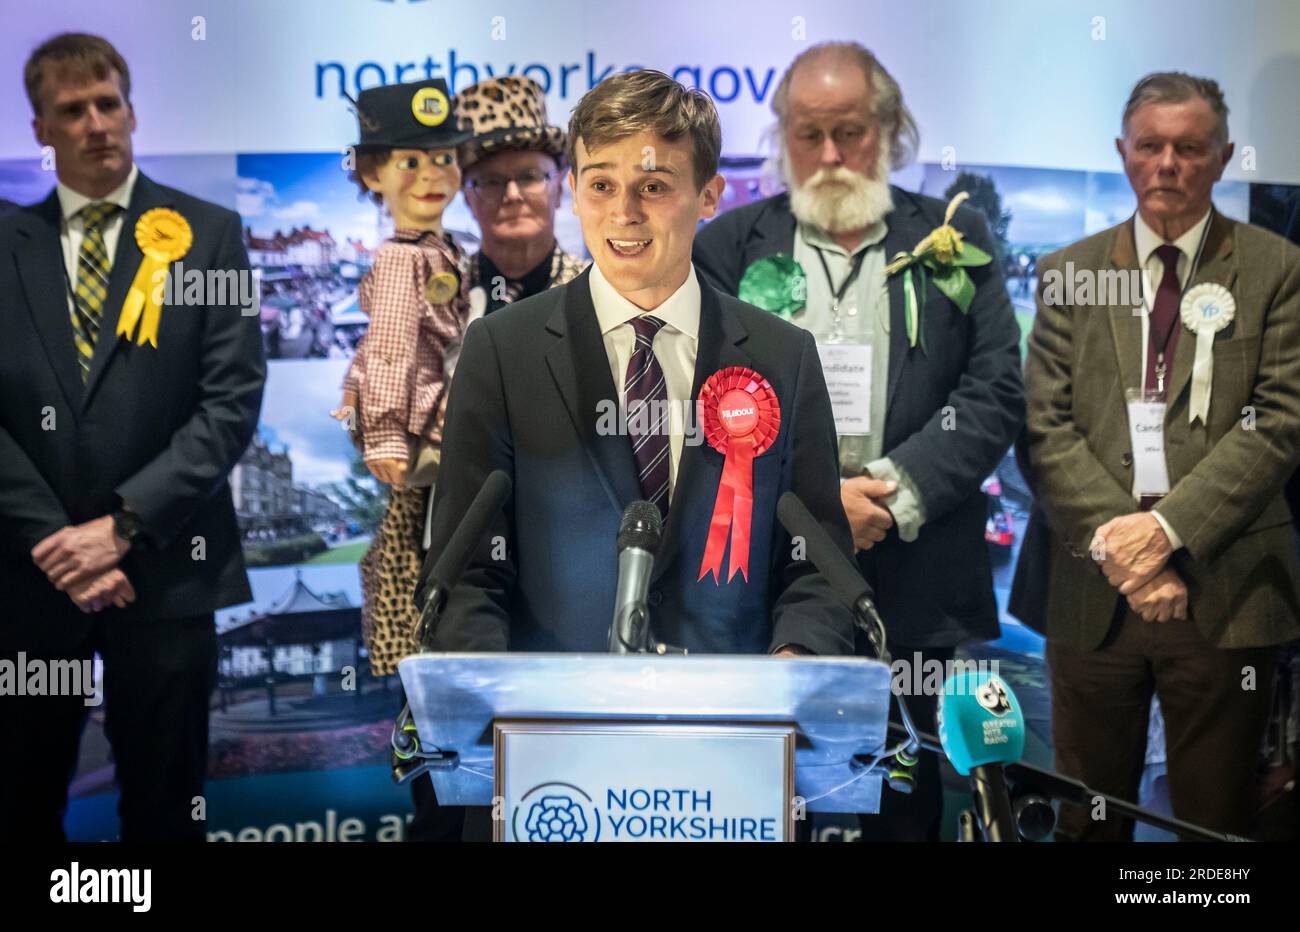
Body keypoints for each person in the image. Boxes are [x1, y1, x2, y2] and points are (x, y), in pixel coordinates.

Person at [693, 42, 1023, 841]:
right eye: (811, 134)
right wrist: (811, 507)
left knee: (904, 804)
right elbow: (695, 402)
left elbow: (993, 390)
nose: (833, 154)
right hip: (765, 577)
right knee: (764, 802)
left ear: (890, 128)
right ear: (783, 136)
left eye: (852, 131)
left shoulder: (955, 236)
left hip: (915, 575)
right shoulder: (729, 245)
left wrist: (890, 490)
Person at [1020, 72, 1300, 840]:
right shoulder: (1066, 272)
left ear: (1224, 157)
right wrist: (1124, 546)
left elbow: (1278, 421)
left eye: (1189, 147)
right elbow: (1044, 426)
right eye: (1151, 146)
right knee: (1088, 821)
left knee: (1216, 827)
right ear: (1123, 153)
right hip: (1090, 591)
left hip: (1227, 594)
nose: (1168, 164)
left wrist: (1166, 532)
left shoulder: (1278, 269)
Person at [0, 33, 265, 841]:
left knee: (165, 806)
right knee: (20, 803)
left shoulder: (209, 234)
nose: (95, 124)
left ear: (134, 110)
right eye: (71, 111)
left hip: (166, 570)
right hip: (27, 582)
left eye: (108, 103)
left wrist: (119, 529)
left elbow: (231, 402)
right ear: (40, 129)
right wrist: (59, 542)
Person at [330, 78, 472, 679]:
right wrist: (386, 430)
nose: (430, 174)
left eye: (443, 158)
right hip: (422, 415)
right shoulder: (398, 257)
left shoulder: (444, 246)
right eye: (409, 161)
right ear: (371, 176)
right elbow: (388, 349)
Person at [454, 76, 587, 314]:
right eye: (491, 182)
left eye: (530, 177)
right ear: (466, 197)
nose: (512, 195)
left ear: (559, 188)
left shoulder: (592, 294)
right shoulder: (444, 299)